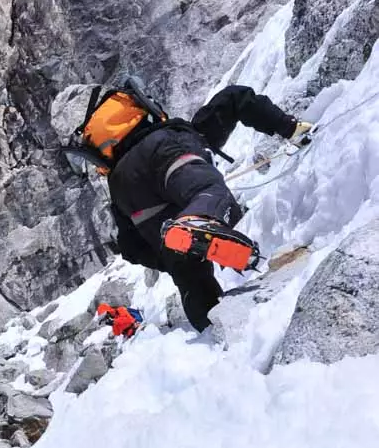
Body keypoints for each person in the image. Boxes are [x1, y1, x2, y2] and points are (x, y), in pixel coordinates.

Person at [57, 76, 312, 332]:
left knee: (190, 276)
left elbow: (131, 248)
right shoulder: (185, 133)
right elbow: (236, 97)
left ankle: (213, 332)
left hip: (127, 190)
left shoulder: (115, 183)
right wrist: (289, 127)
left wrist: (169, 257)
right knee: (208, 192)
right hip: (164, 152)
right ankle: (197, 222)